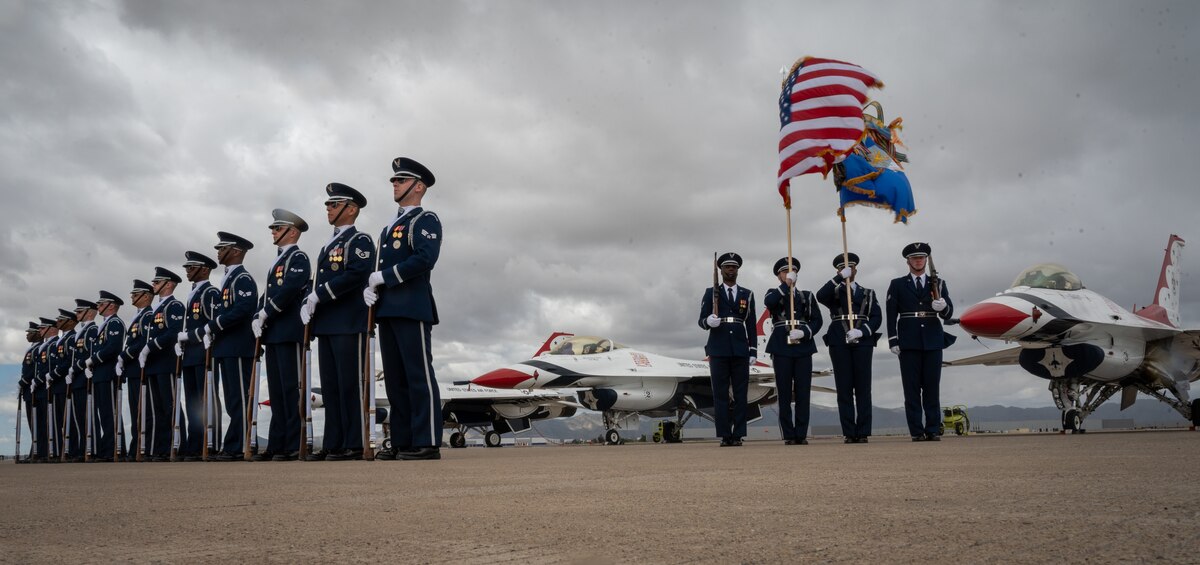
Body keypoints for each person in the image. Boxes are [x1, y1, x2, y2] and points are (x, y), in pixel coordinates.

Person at [364, 157, 444, 461]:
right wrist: (370, 289)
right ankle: (402, 440)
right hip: (388, 310)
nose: (394, 184)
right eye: (394, 181)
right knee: (396, 380)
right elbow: (377, 269)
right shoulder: (388, 228)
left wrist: (383, 277)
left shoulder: (425, 220)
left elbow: (425, 259)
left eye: (401, 180)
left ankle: (427, 440)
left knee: (418, 376)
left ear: (418, 186)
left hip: (412, 307)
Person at [301, 183, 374, 461]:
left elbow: (357, 273)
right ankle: (334, 442)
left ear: (351, 209)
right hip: (328, 324)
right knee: (330, 386)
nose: (328, 209)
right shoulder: (327, 245)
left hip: (348, 321)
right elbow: (320, 280)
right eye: (328, 205)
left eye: (334, 205)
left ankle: (354, 442)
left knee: (350, 384)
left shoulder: (359, 240)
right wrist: (309, 301)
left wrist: (320, 294)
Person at [251, 209, 311, 461]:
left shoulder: (298, 257)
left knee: (290, 388)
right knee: (276, 391)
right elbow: (268, 294)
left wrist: (266, 312)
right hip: (274, 333)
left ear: (292, 232)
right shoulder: (277, 261)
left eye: (277, 229)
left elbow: (289, 290)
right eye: (274, 229)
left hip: (289, 331)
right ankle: (277, 443)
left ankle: (293, 443)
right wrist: (257, 316)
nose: (273, 233)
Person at [886, 242, 956, 442]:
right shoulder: (897, 284)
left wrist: (942, 307)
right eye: (915, 258)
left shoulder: (938, 283)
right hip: (908, 340)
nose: (918, 261)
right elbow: (891, 314)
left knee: (932, 387)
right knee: (912, 388)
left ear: (926, 260)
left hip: (933, 340)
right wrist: (893, 340)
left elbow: (948, 313)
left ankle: (933, 428)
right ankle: (916, 430)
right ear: (908, 261)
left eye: (922, 258)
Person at [817, 252, 883, 444]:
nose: (847, 270)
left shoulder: (868, 293)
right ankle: (849, 431)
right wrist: (839, 278)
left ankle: (862, 431)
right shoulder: (834, 292)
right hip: (839, 340)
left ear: (856, 270)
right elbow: (820, 295)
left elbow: (877, 317)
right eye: (842, 268)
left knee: (863, 387)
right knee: (844, 387)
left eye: (850, 268)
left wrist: (863, 331)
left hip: (863, 340)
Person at [205, 232, 258, 461]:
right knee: (231, 400)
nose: (218, 252)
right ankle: (235, 443)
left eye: (222, 248)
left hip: (238, 346)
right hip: (226, 347)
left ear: (235, 251)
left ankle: (240, 444)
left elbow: (244, 308)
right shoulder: (228, 279)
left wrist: (215, 325)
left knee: (239, 398)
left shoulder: (242, 278)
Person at [698, 252, 757, 447]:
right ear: (721, 271)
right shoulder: (710, 292)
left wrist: (753, 351)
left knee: (741, 394)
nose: (731, 270)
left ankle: (738, 433)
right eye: (727, 267)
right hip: (718, 349)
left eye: (734, 267)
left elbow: (751, 324)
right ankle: (724, 434)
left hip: (740, 348)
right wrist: (708, 321)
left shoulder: (746, 294)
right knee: (720, 394)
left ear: (737, 270)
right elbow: (701, 320)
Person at [763, 257, 823, 445]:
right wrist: (786, 285)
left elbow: (817, 320)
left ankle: (801, 433)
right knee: (784, 392)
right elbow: (769, 302)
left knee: (803, 392)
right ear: (779, 275)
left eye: (792, 271)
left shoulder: (806, 295)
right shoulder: (774, 292)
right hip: (781, 346)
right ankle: (789, 434)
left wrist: (805, 332)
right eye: (785, 272)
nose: (789, 274)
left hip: (803, 346)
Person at [176, 251, 221, 461]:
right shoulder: (193, 293)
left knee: (207, 399)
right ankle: (195, 444)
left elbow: (213, 324)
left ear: (204, 269)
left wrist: (195, 337)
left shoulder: (210, 292)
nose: (187, 271)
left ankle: (210, 442)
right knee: (193, 401)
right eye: (186, 267)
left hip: (204, 352)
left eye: (191, 268)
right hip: (190, 354)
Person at [141, 268, 183, 461]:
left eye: (157, 282)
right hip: (154, 365)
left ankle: (177, 445)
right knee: (157, 409)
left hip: (166, 362)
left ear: (168, 284)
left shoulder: (174, 305)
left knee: (170, 406)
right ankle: (162, 447)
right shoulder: (157, 308)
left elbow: (173, 332)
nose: (153, 286)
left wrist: (150, 347)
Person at [87, 290, 126, 462]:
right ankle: (108, 447)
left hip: (108, 373)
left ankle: (114, 448)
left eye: (101, 304)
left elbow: (113, 347)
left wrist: (93, 360)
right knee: (104, 413)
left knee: (110, 413)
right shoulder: (104, 325)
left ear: (111, 306)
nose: (98, 307)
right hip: (100, 374)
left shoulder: (115, 323)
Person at [120, 279, 153, 461]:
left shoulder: (148, 315)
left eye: (135, 293)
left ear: (146, 296)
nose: (132, 296)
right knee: (135, 411)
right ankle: (136, 446)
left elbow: (142, 342)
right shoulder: (138, 317)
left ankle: (143, 447)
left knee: (143, 410)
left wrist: (123, 356)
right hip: (133, 370)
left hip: (142, 369)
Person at [68, 300, 99, 461]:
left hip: (86, 377)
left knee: (88, 415)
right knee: (79, 416)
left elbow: (90, 355)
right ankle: (82, 448)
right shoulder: (82, 331)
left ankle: (91, 448)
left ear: (88, 312)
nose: (77, 315)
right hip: (77, 379)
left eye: (79, 312)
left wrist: (77, 367)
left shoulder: (92, 330)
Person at [19, 322, 40, 462]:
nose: (27, 334)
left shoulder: (38, 349)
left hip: (34, 388)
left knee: (37, 421)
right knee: (33, 422)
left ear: (37, 333)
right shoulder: (31, 349)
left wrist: (24, 381)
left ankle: (38, 450)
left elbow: (33, 369)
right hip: (28, 390)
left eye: (30, 332)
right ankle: (34, 449)